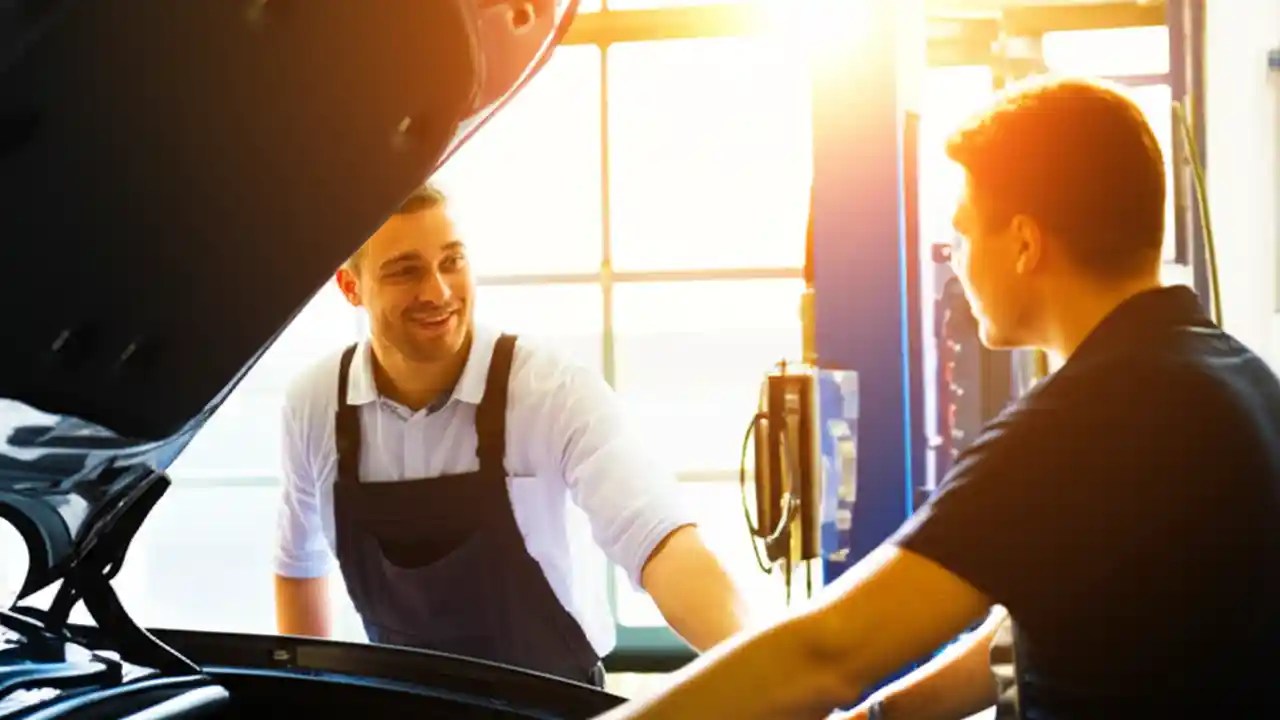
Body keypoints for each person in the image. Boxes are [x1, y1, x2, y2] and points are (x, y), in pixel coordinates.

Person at [593, 75, 1280, 719]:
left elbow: (827, 653)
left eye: (962, 230)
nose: (954, 257)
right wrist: (884, 715)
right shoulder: (1239, 381)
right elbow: (1036, 622)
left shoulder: (1082, 423)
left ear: (1024, 243)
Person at [272, 183, 752, 687]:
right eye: (405, 271)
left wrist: (763, 669)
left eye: (452, 262)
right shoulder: (314, 405)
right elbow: (298, 566)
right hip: (407, 705)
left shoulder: (553, 391)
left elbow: (660, 542)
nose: (438, 292)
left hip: (556, 704)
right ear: (350, 286)